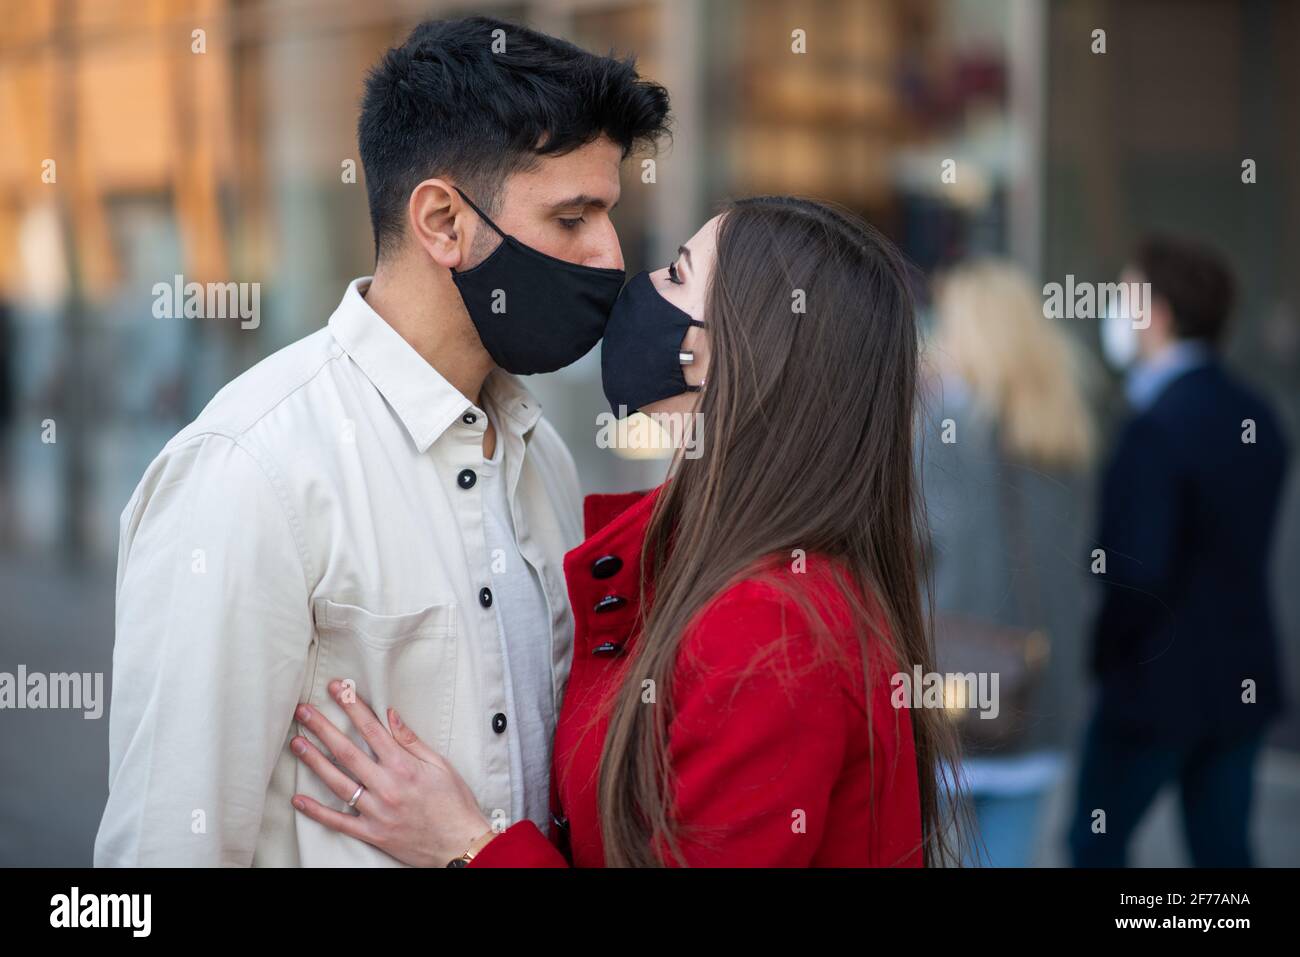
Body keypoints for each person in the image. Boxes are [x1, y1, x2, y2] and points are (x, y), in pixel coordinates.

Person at [94, 16, 670, 866]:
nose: (609, 254)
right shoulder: (251, 470)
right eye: (573, 216)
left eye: (609, 215)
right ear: (442, 220)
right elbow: (166, 846)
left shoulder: (540, 453)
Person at [284, 196, 971, 867]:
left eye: (676, 274)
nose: (630, 277)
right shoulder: (745, 578)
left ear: (711, 352)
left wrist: (466, 844)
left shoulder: (773, 625)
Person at [1069, 235, 1290, 867]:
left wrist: (1107, 658)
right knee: (1224, 859)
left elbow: (1138, 574)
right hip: (1240, 676)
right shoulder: (1259, 414)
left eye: (1127, 295)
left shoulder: (1155, 427)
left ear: (1158, 312)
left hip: (1152, 684)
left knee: (1096, 846)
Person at [920, 259, 1098, 866]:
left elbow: (905, 548)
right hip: (1040, 691)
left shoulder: (937, 429)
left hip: (942, 692)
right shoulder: (1066, 434)